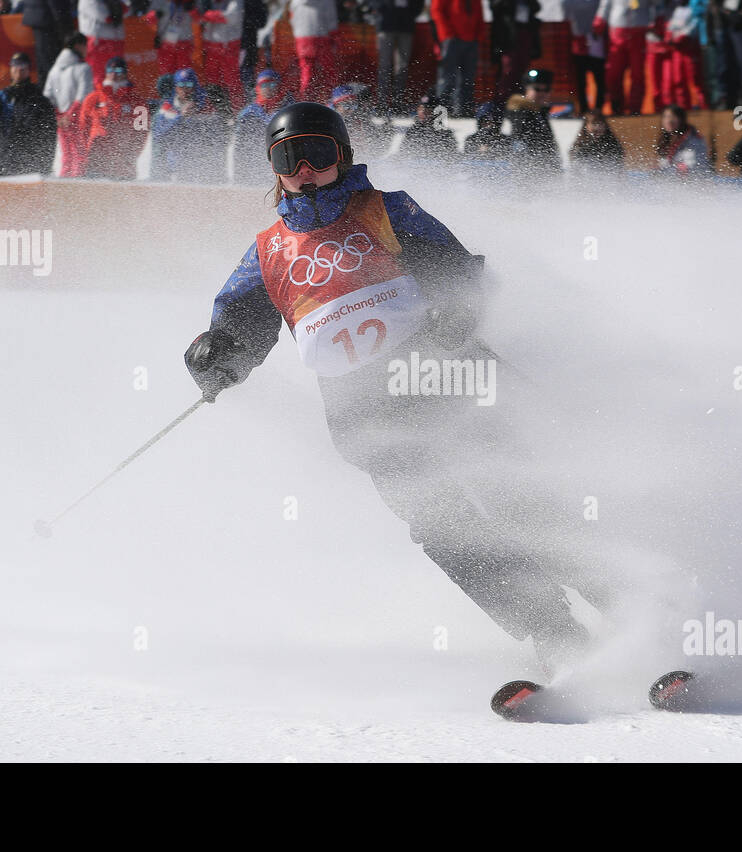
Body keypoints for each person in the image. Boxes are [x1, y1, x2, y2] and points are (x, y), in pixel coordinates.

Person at [183, 101, 596, 679]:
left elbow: (454, 269)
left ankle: (625, 599)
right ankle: (554, 632)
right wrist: (219, 353)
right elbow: (243, 322)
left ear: (342, 154)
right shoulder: (269, 251)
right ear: (274, 170)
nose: (304, 169)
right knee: (443, 525)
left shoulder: (386, 211)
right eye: (287, 157)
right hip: (360, 411)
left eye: (317, 153)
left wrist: (456, 312)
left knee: (510, 489)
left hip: (438, 378)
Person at [0, 52, 58, 175]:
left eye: (23, 65)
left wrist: (46, 164)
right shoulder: (4, 96)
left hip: (32, 164)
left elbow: (49, 135)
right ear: (10, 68)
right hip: (6, 162)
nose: (19, 69)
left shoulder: (39, 99)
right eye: (15, 65)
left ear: (28, 69)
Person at [152, 67, 227, 181]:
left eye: (189, 84)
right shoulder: (167, 107)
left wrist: (195, 117)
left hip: (201, 167)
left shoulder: (205, 105)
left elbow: (217, 134)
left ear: (195, 86)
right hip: (174, 169)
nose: (185, 89)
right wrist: (180, 117)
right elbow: (160, 135)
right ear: (176, 87)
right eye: (181, 85)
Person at [77, 55, 145, 179]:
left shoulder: (137, 101)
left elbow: (141, 132)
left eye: (118, 71)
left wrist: (130, 155)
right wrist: (87, 152)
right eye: (110, 71)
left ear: (125, 74)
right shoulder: (93, 98)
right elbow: (83, 128)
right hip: (96, 159)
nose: (113, 74)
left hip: (123, 162)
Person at [593, 0, 657, 117]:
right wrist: (599, 22)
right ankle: (617, 107)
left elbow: (656, 5)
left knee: (637, 74)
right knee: (613, 73)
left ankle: (635, 108)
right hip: (617, 34)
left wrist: (655, 21)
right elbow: (605, 6)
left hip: (638, 33)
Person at [44, 32, 94, 177]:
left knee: (66, 157)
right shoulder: (84, 68)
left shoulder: (53, 70)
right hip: (79, 120)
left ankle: (63, 190)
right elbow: (84, 96)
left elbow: (48, 97)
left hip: (61, 121)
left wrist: (59, 117)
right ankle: (79, 191)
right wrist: (70, 115)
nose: (87, 50)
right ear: (78, 46)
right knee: (80, 156)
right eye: (86, 46)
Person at [232, 68, 294, 183]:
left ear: (279, 86)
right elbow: (238, 144)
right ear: (257, 88)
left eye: (272, 84)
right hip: (254, 160)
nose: (268, 88)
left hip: (283, 160)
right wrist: (238, 174)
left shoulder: (289, 108)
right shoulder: (249, 112)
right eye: (264, 85)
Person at [367, 0, 420, 115]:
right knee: (384, 65)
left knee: (402, 66)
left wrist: (410, 13)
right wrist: (381, 11)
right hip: (386, 24)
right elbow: (373, 3)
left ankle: (398, 103)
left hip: (406, 26)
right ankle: (382, 103)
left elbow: (418, 5)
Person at [431, 0, 482, 118]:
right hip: (451, 39)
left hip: (471, 40)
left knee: (468, 78)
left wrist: (478, 35)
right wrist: (447, 33)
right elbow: (436, 11)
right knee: (447, 77)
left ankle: (463, 110)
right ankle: (442, 111)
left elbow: (478, 13)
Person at [79, 0, 146, 89]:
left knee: (119, 74)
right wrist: (119, 8)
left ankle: (122, 100)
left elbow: (128, 10)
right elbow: (105, 16)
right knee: (99, 77)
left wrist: (121, 8)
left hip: (116, 41)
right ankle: (100, 100)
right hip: (98, 42)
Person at [504, 67, 560, 173]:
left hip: (545, 172)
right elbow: (519, 143)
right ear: (526, 89)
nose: (542, 93)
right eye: (537, 89)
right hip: (527, 173)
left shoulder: (541, 112)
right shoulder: (518, 111)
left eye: (546, 89)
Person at [489, 0, 541, 102]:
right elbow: (495, 6)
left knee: (523, 69)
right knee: (509, 70)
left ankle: (519, 100)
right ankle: (502, 101)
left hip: (525, 34)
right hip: (508, 37)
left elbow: (536, 7)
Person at [288, 0, 338, 103]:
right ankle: (330, 100)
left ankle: (305, 100)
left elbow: (292, 19)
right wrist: (334, 36)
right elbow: (331, 19)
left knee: (306, 72)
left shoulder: (295, 1)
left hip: (302, 39)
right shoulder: (327, 2)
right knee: (328, 71)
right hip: (321, 37)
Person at [199, 0, 245, 111]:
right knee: (212, 80)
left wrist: (207, 15)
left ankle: (237, 109)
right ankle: (214, 109)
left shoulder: (235, 2)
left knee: (231, 80)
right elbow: (197, 15)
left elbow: (230, 17)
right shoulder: (210, 3)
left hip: (229, 46)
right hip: (211, 46)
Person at [563, 0, 605, 116]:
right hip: (579, 46)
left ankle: (598, 108)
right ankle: (583, 108)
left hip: (596, 46)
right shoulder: (570, 3)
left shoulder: (600, 2)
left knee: (599, 81)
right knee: (581, 81)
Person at [330, 83, 392, 161]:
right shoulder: (330, 121)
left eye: (353, 104)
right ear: (336, 105)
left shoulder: (358, 116)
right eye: (346, 105)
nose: (350, 109)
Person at [395, 90, 459, 163]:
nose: (423, 112)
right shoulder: (413, 130)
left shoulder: (443, 132)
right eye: (421, 109)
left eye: (427, 109)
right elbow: (403, 153)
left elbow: (453, 157)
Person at [21, 0, 73, 79]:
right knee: (50, 63)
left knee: (43, 63)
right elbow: (57, 5)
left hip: (40, 17)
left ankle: (45, 88)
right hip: (48, 20)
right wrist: (65, 28)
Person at [653, 102, 710, 174]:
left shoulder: (693, 139)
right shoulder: (668, 138)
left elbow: (693, 166)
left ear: (681, 119)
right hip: (675, 179)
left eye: (673, 117)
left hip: (696, 181)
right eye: (665, 117)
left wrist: (670, 170)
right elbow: (664, 164)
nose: (669, 121)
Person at [150, 0, 195, 77]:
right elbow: (149, 19)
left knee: (184, 74)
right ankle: (167, 88)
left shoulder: (190, 2)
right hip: (166, 43)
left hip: (184, 42)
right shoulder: (160, 2)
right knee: (166, 73)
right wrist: (155, 15)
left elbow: (199, 18)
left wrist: (193, 10)